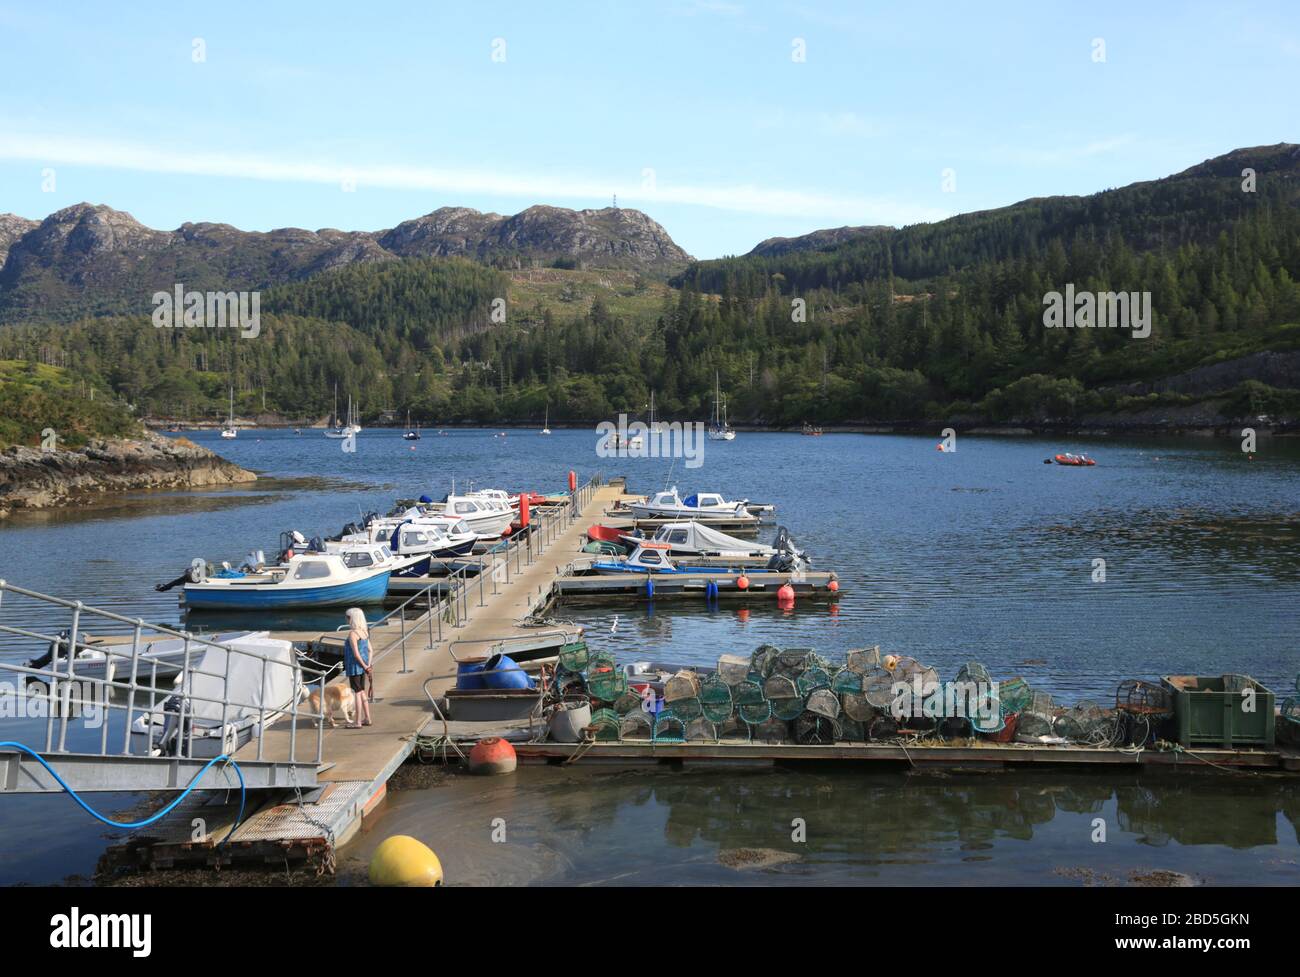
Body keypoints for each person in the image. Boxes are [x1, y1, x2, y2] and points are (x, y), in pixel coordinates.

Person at [343, 607, 373, 728]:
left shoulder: (353, 634)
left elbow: (356, 654)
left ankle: (357, 722)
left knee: (357, 693)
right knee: (362, 692)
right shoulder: (364, 632)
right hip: (363, 668)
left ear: (352, 619)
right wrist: (368, 666)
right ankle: (367, 718)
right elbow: (370, 650)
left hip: (354, 667)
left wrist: (364, 666)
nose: (346, 619)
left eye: (347, 617)